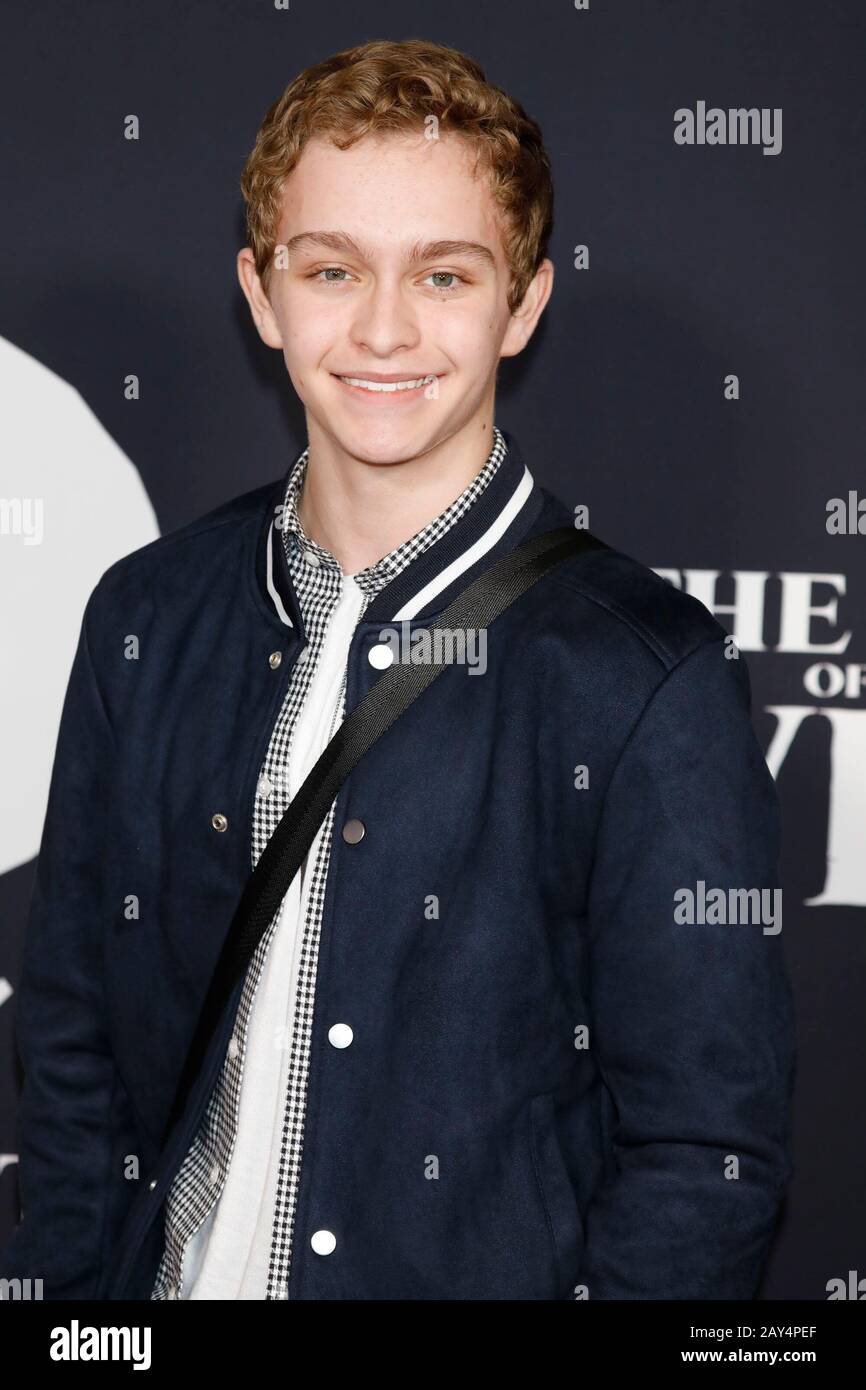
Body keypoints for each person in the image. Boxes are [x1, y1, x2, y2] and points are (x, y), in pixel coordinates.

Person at [1, 37, 795, 1301]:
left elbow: (702, 1156)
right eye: (331, 269)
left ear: (523, 302)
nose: (382, 329)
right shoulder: (146, 613)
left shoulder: (644, 675)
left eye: (442, 274)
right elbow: (73, 1043)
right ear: (260, 294)